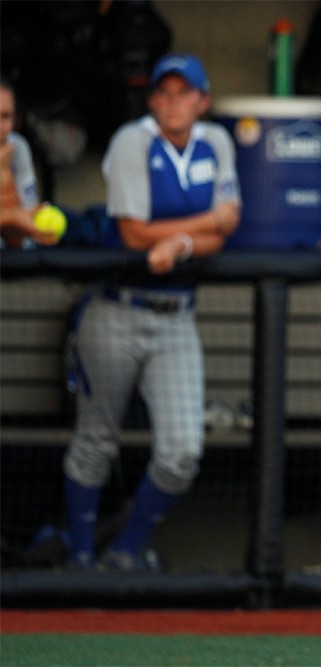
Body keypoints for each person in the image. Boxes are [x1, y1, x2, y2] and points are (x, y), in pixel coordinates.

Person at [61, 53, 241, 571]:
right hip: (117, 308)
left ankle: (124, 550)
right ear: (152, 99)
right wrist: (206, 223)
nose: (173, 102)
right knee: (96, 439)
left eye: (185, 93)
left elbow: (230, 229)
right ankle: (77, 559)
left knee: (182, 451)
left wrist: (184, 241)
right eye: (164, 92)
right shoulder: (131, 140)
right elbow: (134, 233)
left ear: (202, 101)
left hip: (176, 314)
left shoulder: (217, 142)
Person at [0, 76, 59, 249]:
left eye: (5, 116)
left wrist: (4, 176)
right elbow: (14, 218)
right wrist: (10, 218)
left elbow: (17, 241)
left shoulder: (17, 147)